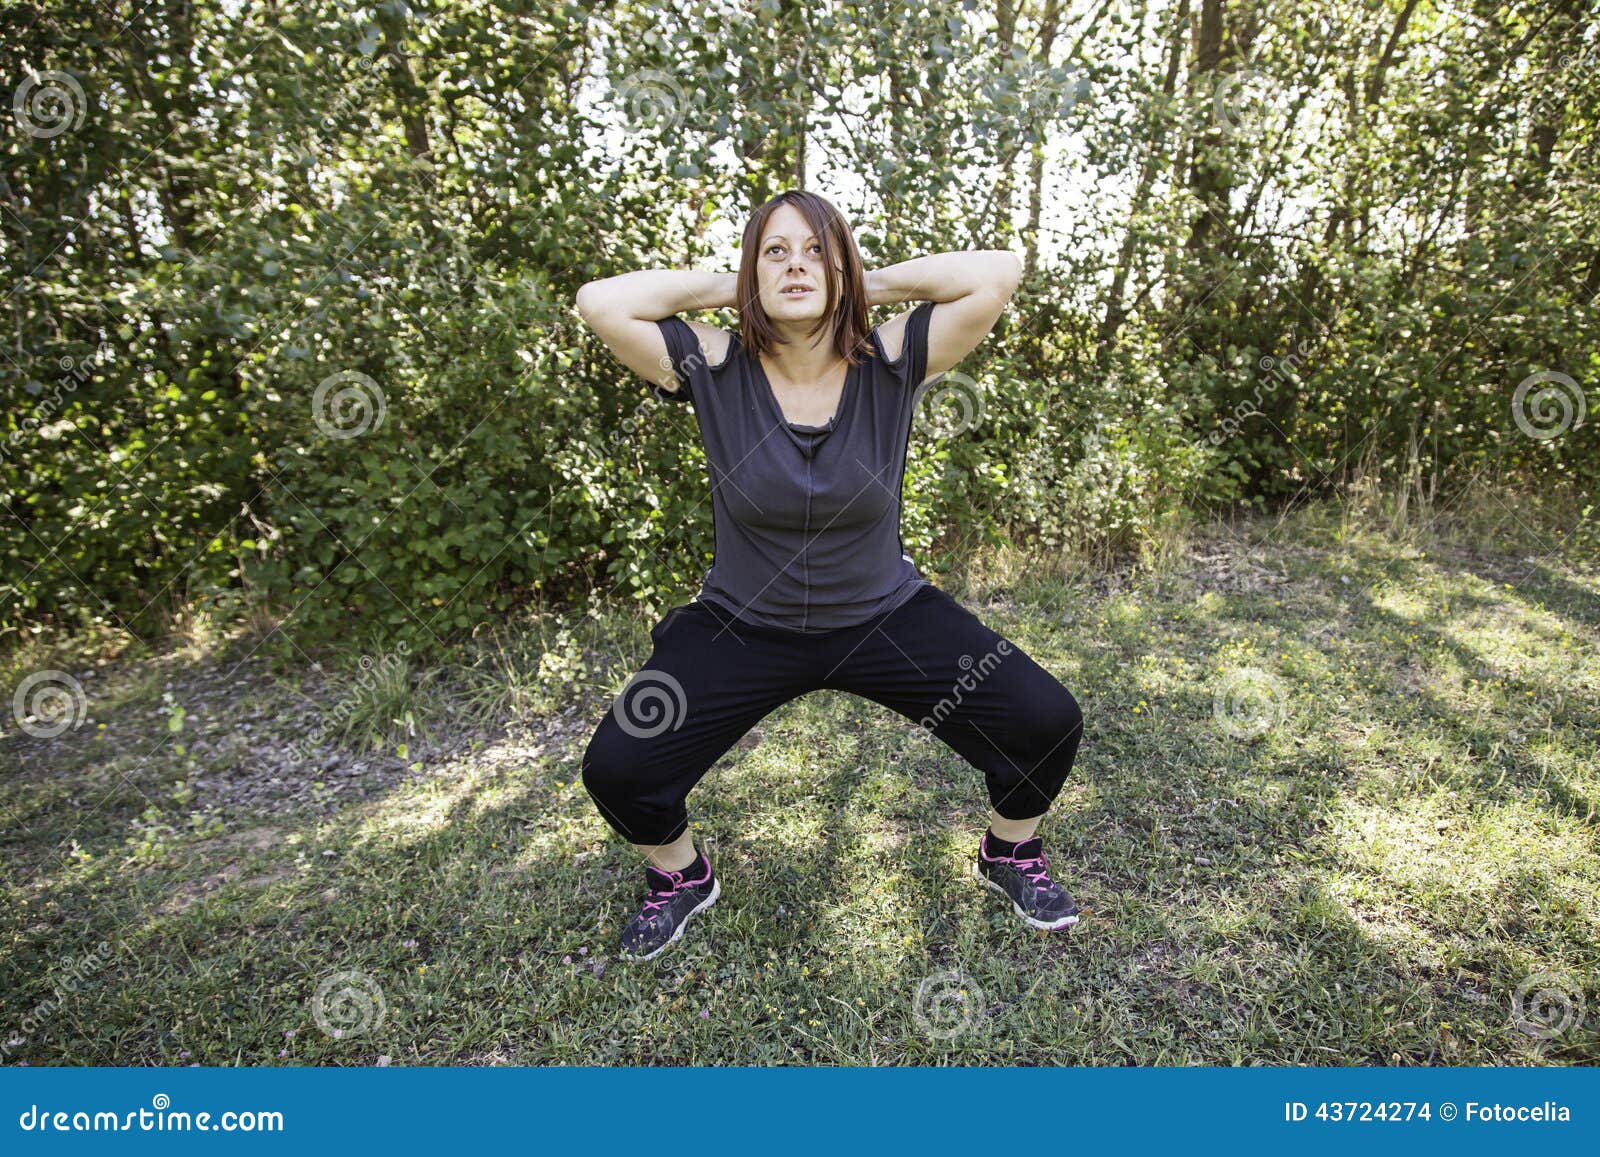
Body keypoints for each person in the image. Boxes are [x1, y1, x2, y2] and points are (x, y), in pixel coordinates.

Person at [573, 189, 1085, 961]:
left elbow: (999, 271)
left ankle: (1008, 852)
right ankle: (681, 877)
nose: (796, 266)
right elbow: (599, 301)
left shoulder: (889, 356)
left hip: (883, 614)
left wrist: (856, 282)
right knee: (618, 764)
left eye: (816, 249)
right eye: (775, 252)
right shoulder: (714, 364)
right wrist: (741, 286)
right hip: (745, 623)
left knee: (1045, 719)